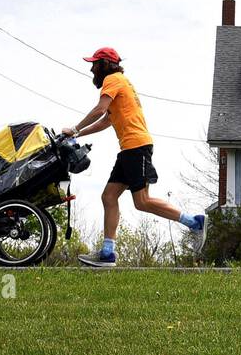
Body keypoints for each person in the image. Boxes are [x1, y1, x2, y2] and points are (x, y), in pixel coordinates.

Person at [63, 46, 206, 267]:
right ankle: (107, 253)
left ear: (105, 64)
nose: (91, 68)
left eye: (94, 63)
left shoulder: (113, 79)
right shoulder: (120, 82)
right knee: (109, 197)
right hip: (129, 149)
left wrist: (73, 128)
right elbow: (106, 120)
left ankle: (194, 222)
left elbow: (99, 110)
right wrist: (78, 134)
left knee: (142, 201)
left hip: (136, 147)